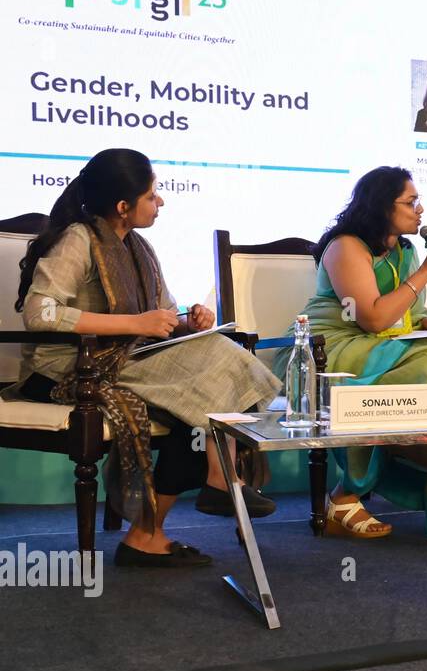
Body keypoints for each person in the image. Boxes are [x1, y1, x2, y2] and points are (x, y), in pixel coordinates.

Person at [9, 148, 281, 567]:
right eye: (153, 195)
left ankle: (158, 525)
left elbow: (162, 315)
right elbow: (39, 312)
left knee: (206, 380)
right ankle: (211, 484)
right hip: (63, 370)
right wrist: (136, 324)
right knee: (202, 389)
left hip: (123, 361)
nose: (161, 202)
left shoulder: (139, 247)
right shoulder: (77, 240)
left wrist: (191, 320)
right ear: (123, 206)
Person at [280, 166, 427, 539]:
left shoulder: (403, 250)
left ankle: (414, 441)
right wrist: (426, 271)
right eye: (411, 202)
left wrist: (424, 321)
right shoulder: (346, 246)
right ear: (382, 205)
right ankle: (391, 452)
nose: (420, 210)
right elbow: (373, 317)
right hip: (327, 348)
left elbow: (405, 310)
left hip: (377, 344)